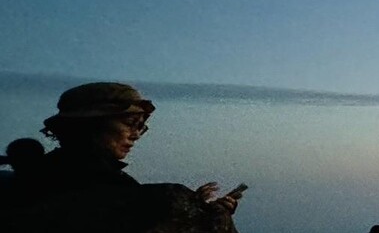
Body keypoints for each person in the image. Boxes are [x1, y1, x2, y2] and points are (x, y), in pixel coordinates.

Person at [19, 82, 243, 214]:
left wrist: (194, 206)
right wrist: (200, 214)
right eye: (131, 124)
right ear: (90, 125)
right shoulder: (88, 181)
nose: (136, 135)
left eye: (141, 126)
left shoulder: (49, 171)